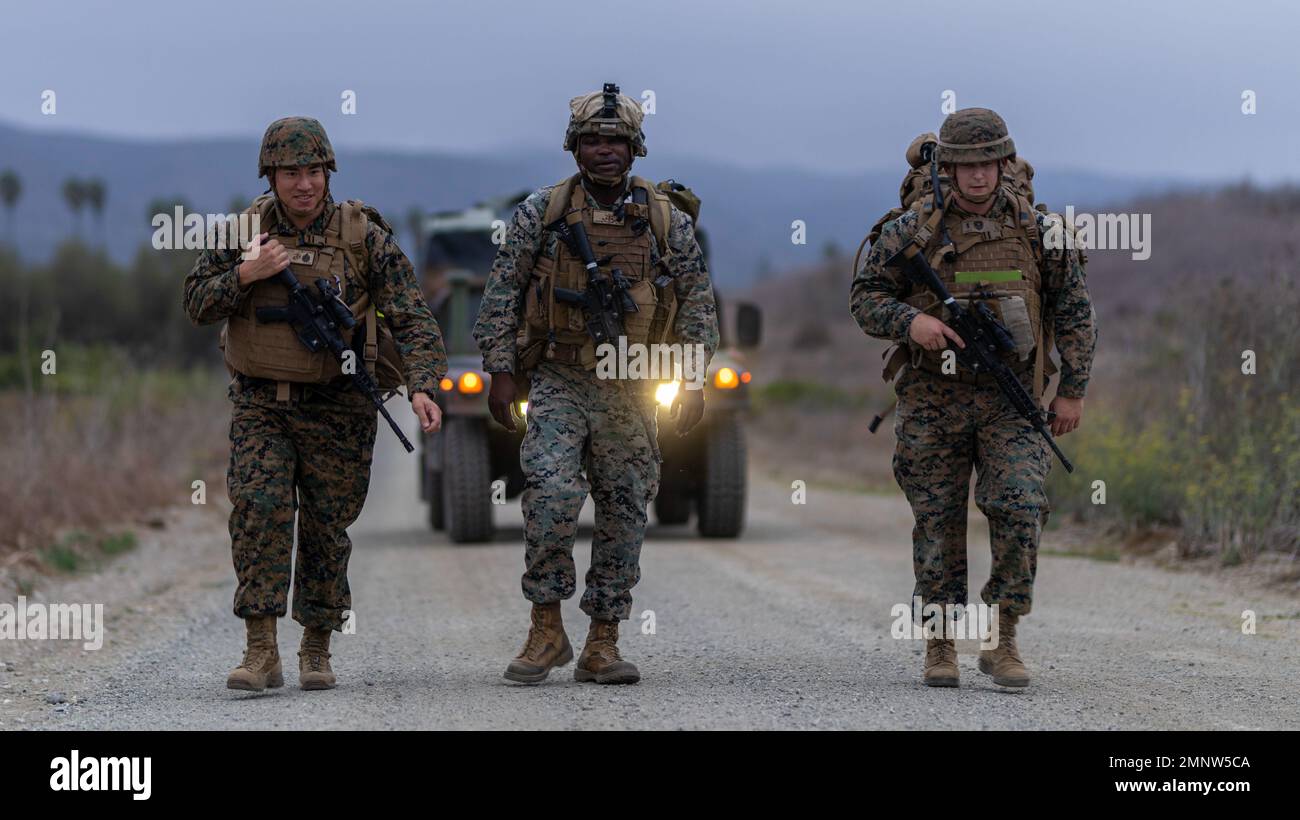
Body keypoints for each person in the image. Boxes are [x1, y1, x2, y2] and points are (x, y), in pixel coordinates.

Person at [184, 116, 447, 692]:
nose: (303, 184)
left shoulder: (362, 236)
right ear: (270, 176)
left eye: (313, 171)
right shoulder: (243, 232)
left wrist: (424, 385)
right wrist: (246, 274)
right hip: (261, 405)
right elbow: (196, 302)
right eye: (290, 173)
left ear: (327, 172)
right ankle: (260, 651)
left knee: (329, 528)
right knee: (259, 512)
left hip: (339, 406)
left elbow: (413, 316)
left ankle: (316, 648)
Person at [473, 84, 719, 685]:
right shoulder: (542, 213)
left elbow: (696, 306)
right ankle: (546, 629)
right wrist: (502, 371)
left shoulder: (665, 220)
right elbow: (502, 293)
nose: (604, 150)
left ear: (634, 147)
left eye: (615, 140)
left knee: (624, 507)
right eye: (592, 140)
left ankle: (603, 640)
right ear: (574, 147)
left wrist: (690, 380)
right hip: (560, 374)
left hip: (633, 384)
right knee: (552, 496)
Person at [850, 107, 1097, 688]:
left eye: (989, 163)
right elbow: (865, 297)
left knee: (1018, 508)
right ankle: (940, 642)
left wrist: (1073, 391)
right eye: (967, 165)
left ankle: (1003, 636)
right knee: (936, 520)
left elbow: (1075, 313)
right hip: (934, 398)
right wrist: (912, 322)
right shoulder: (913, 230)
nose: (979, 176)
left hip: (1013, 400)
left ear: (1004, 163)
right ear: (950, 168)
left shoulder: (1042, 231)